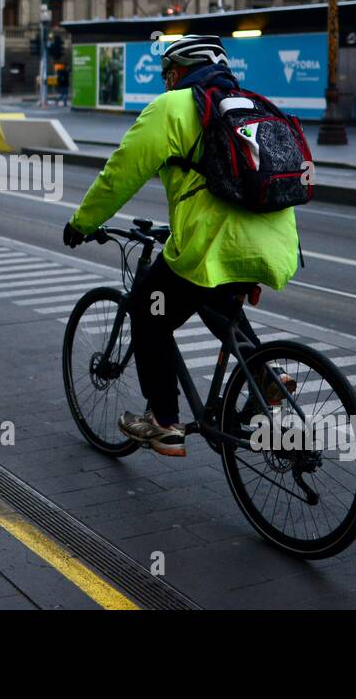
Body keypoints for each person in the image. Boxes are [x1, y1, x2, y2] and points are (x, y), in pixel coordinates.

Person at [62, 35, 299, 457]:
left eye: (167, 74)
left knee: (147, 308)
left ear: (180, 72)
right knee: (214, 297)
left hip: (214, 243)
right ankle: (266, 373)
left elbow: (120, 175)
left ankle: (164, 422)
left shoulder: (171, 108)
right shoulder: (255, 105)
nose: (165, 83)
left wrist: (83, 223)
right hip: (275, 243)